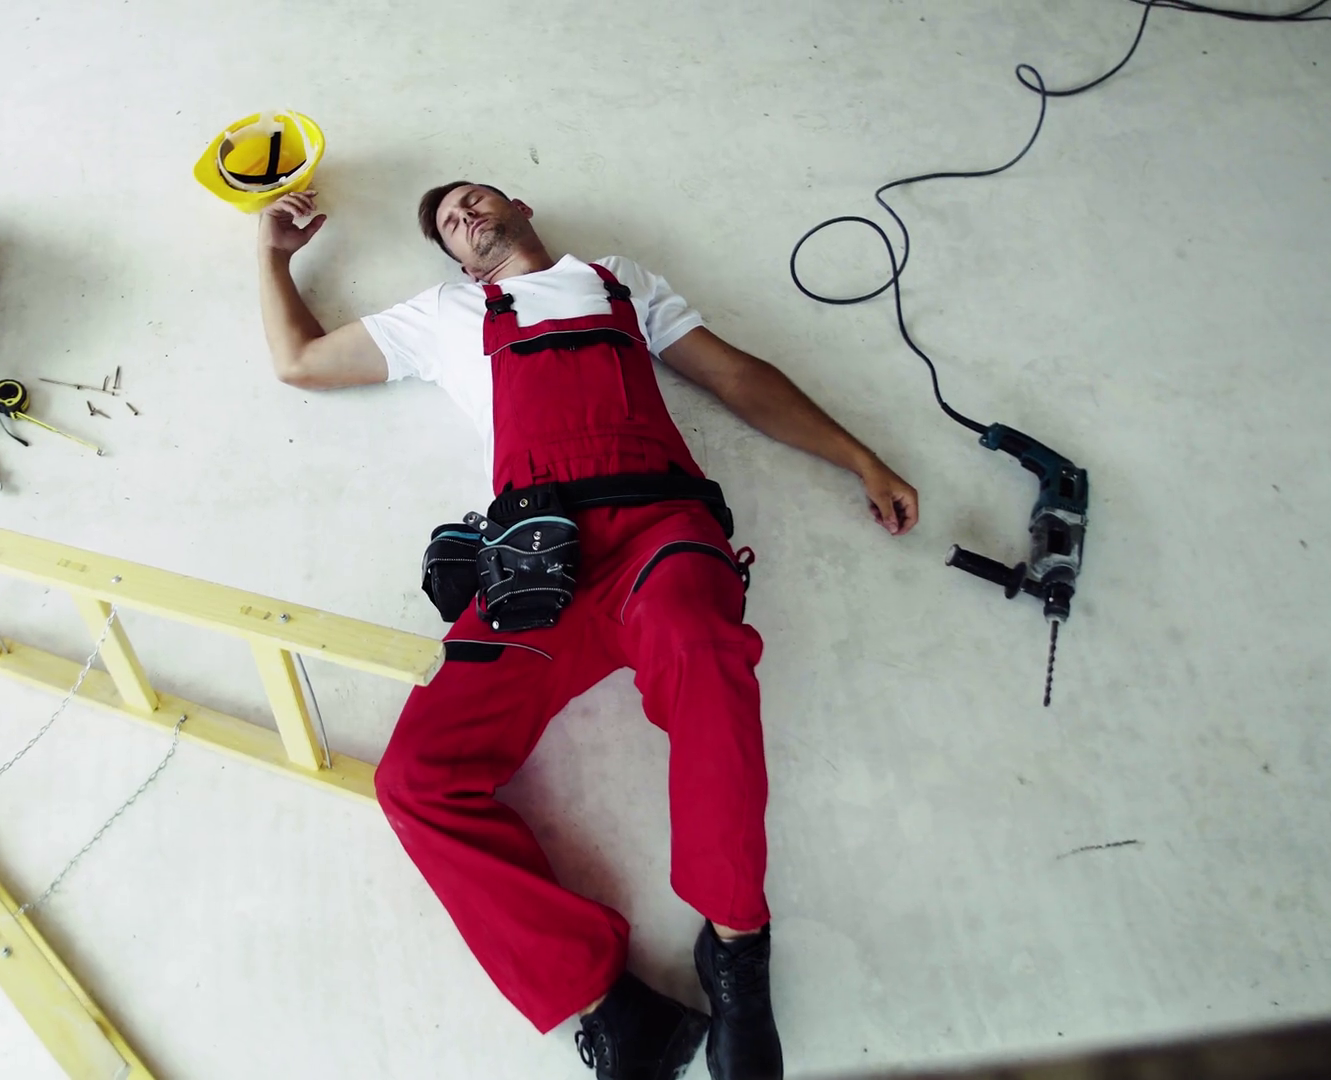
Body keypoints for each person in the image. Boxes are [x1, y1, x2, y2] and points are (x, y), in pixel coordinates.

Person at [255, 182, 919, 1080]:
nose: (466, 220)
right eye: (449, 224)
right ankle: (615, 1008)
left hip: (660, 532)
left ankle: (736, 948)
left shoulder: (616, 281)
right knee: (416, 780)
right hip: (538, 563)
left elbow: (733, 376)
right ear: (453, 258)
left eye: (473, 201)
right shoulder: (446, 314)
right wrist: (272, 257)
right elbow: (297, 362)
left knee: (703, 649)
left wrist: (859, 456)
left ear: (516, 204)